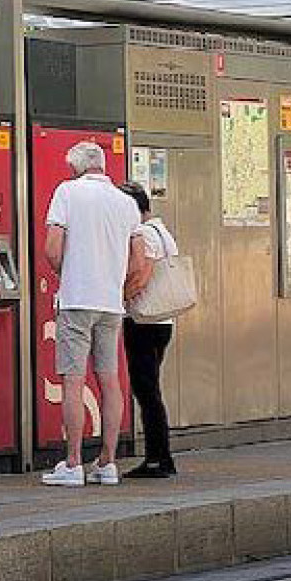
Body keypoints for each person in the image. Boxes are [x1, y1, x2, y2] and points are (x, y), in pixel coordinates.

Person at [41, 140, 140, 487]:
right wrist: (116, 287)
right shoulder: (126, 203)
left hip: (76, 300)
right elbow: (138, 260)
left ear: (75, 168)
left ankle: (72, 463)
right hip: (111, 304)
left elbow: (52, 248)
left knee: (73, 380)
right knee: (110, 381)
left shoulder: (67, 192)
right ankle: (108, 462)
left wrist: (67, 275)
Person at [122, 180, 179, 478]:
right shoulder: (162, 230)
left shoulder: (143, 233)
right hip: (163, 320)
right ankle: (161, 456)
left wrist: (121, 298)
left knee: (146, 390)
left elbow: (141, 274)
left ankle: (158, 458)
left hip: (144, 320)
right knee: (151, 388)